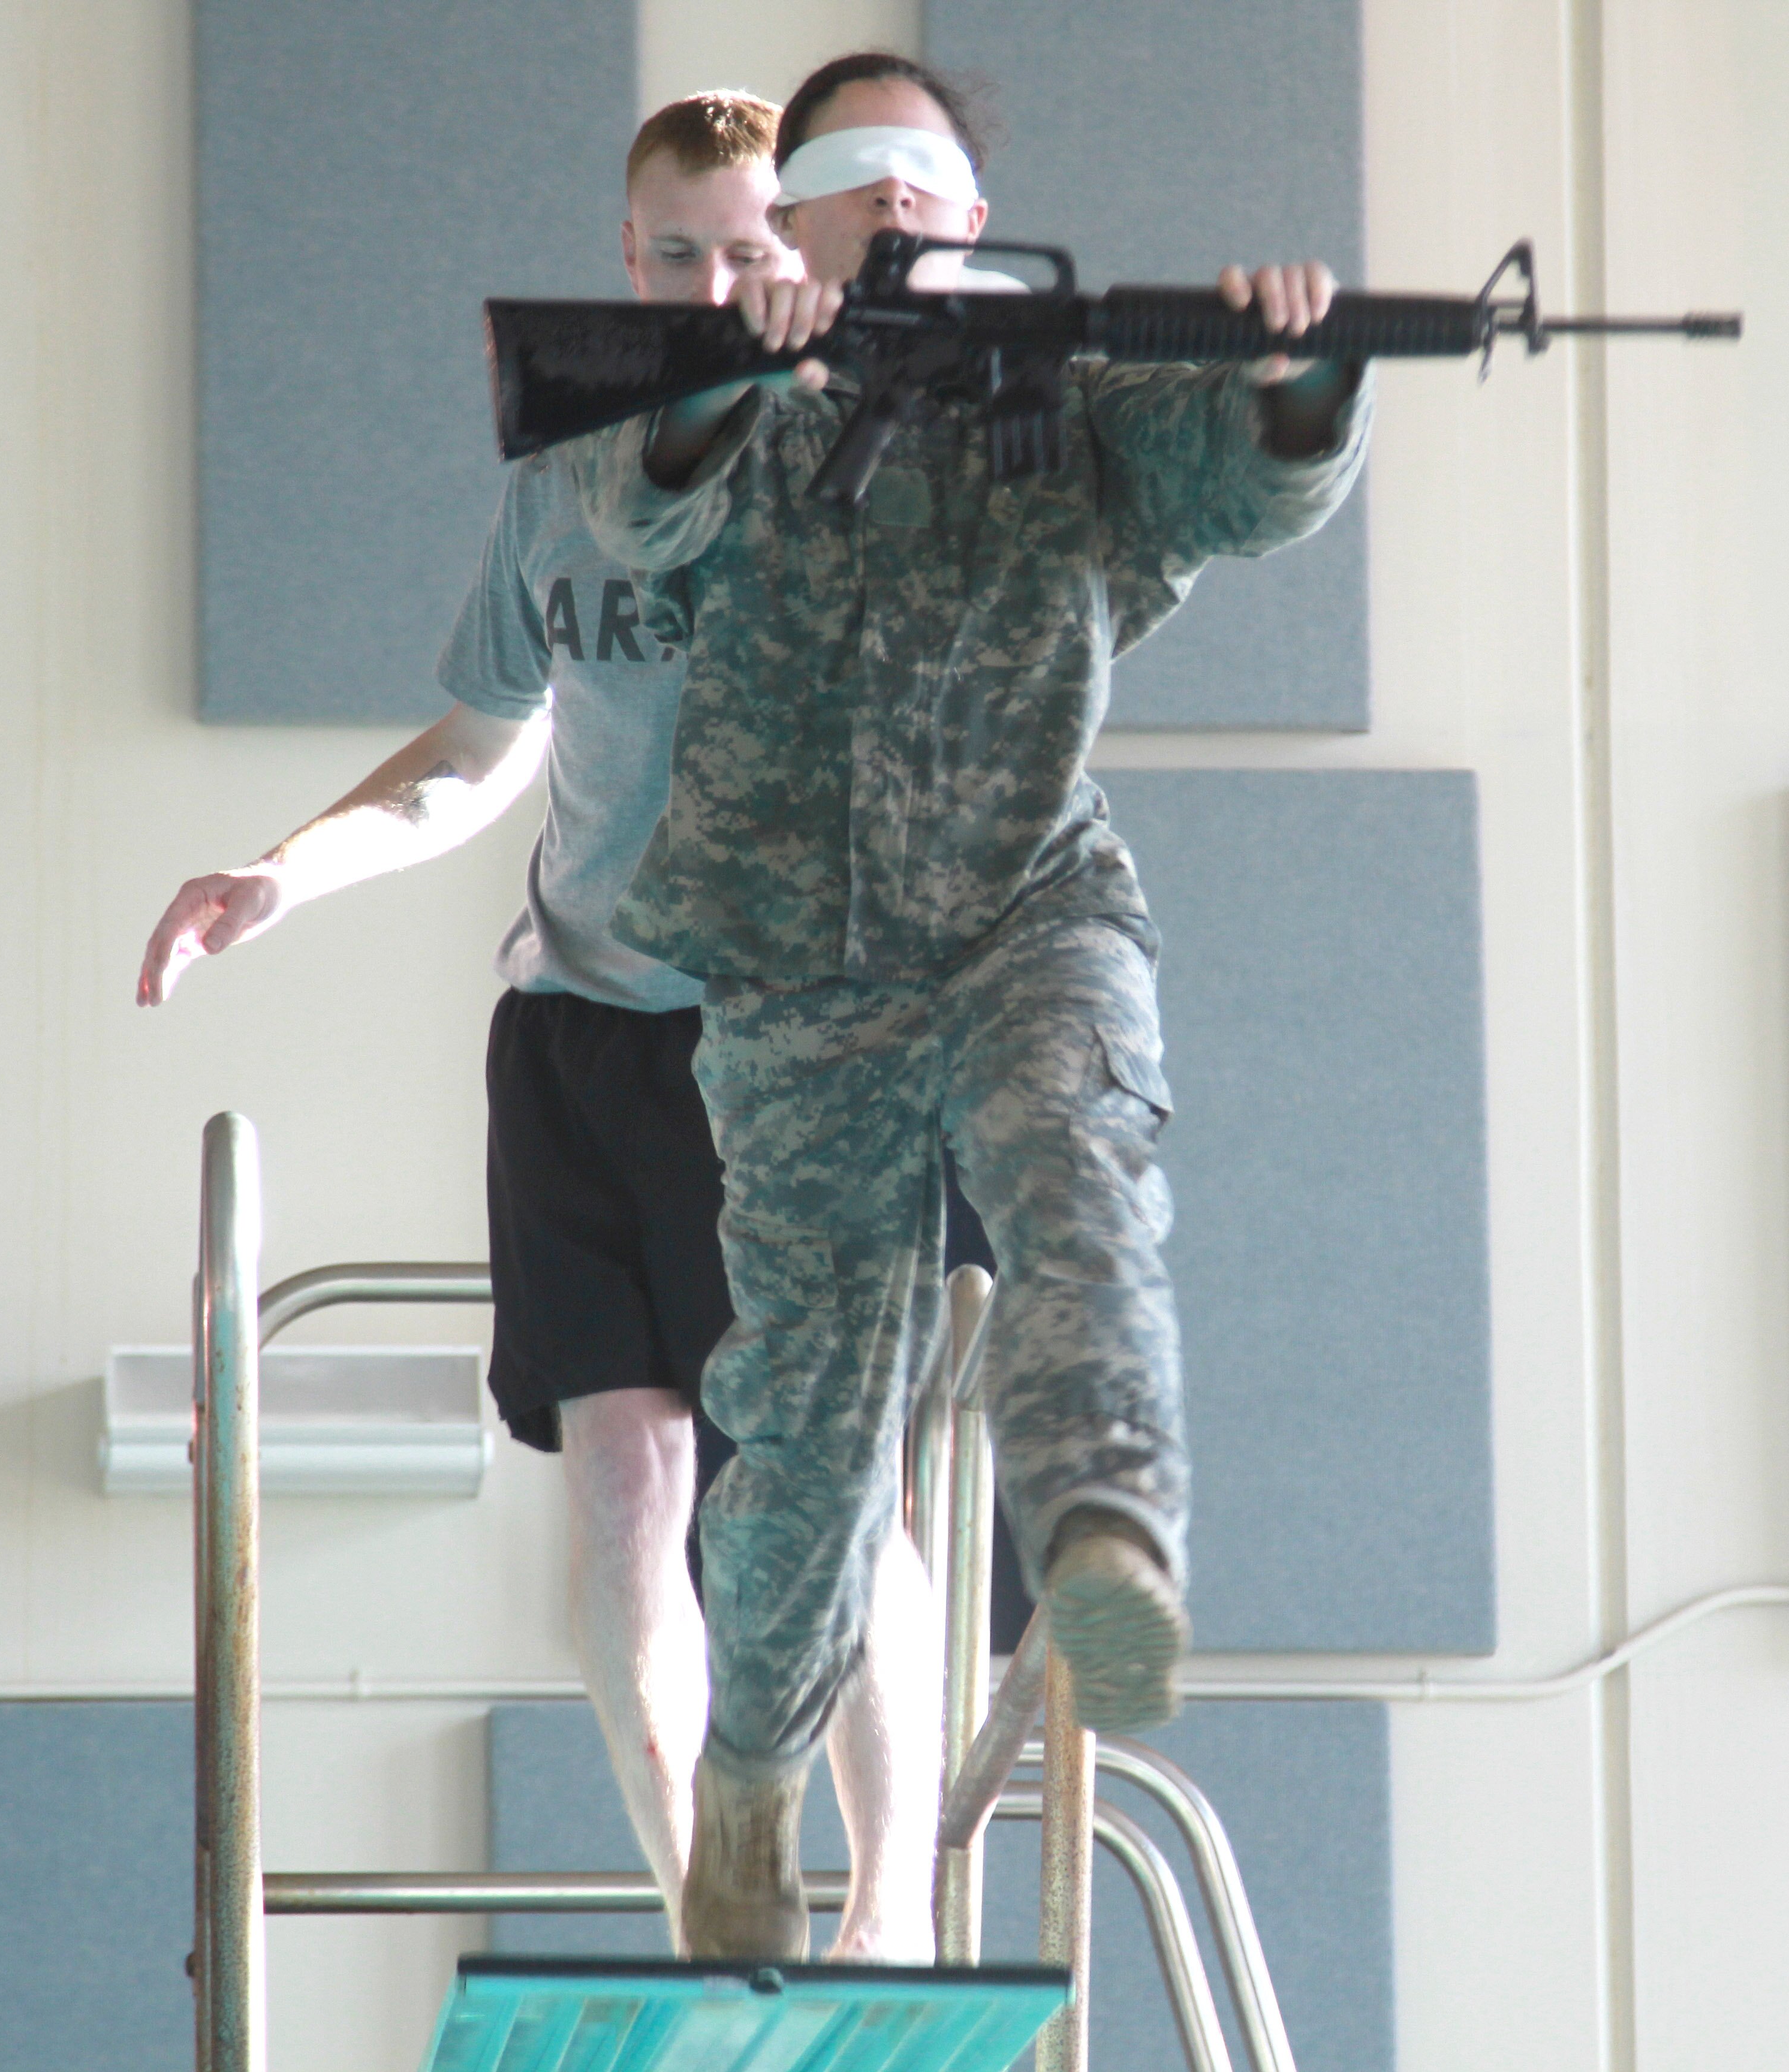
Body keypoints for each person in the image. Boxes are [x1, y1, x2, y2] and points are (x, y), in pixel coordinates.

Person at [567, 50, 1374, 1960]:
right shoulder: (727, 383)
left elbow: (1252, 489)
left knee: (1080, 1190)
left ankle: (1103, 1538)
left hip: (1027, 906)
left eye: (932, 180)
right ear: (803, 214)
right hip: (789, 963)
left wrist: (1295, 376)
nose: (901, 204)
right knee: (809, 1427)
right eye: (859, 177)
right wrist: (732, 373)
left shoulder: (1082, 400)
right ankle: (753, 1774)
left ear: (976, 217)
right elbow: (633, 511)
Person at [135, 91, 942, 1963]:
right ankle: (709, 1915)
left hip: (781, 1039)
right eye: (674, 254)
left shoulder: (861, 453)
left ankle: (891, 1912)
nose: (712, 284)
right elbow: (478, 755)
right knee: (623, 1489)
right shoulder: (564, 471)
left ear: (798, 251)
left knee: (815, 1483)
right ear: (626, 260)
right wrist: (276, 874)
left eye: (749, 251)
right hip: (578, 1032)